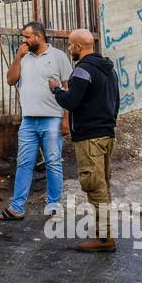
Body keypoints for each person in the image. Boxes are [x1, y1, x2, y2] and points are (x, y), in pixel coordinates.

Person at [49, 28, 120, 252]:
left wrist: (57, 90)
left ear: (78, 47)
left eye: (70, 45)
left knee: (94, 185)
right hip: (107, 133)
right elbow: (116, 101)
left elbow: (71, 102)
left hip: (90, 138)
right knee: (103, 185)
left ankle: (104, 238)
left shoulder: (82, 71)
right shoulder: (109, 69)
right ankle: (103, 232)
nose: (69, 48)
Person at [0, 21, 73, 221]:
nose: (24, 40)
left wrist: (66, 119)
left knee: (53, 163)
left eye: (27, 37)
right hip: (28, 121)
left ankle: (53, 206)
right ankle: (16, 207)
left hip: (53, 120)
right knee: (24, 164)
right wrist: (18, 56)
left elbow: (68, 88)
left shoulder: (58, 57)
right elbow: (11, 80)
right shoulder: (24, 57)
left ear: (38, 36)